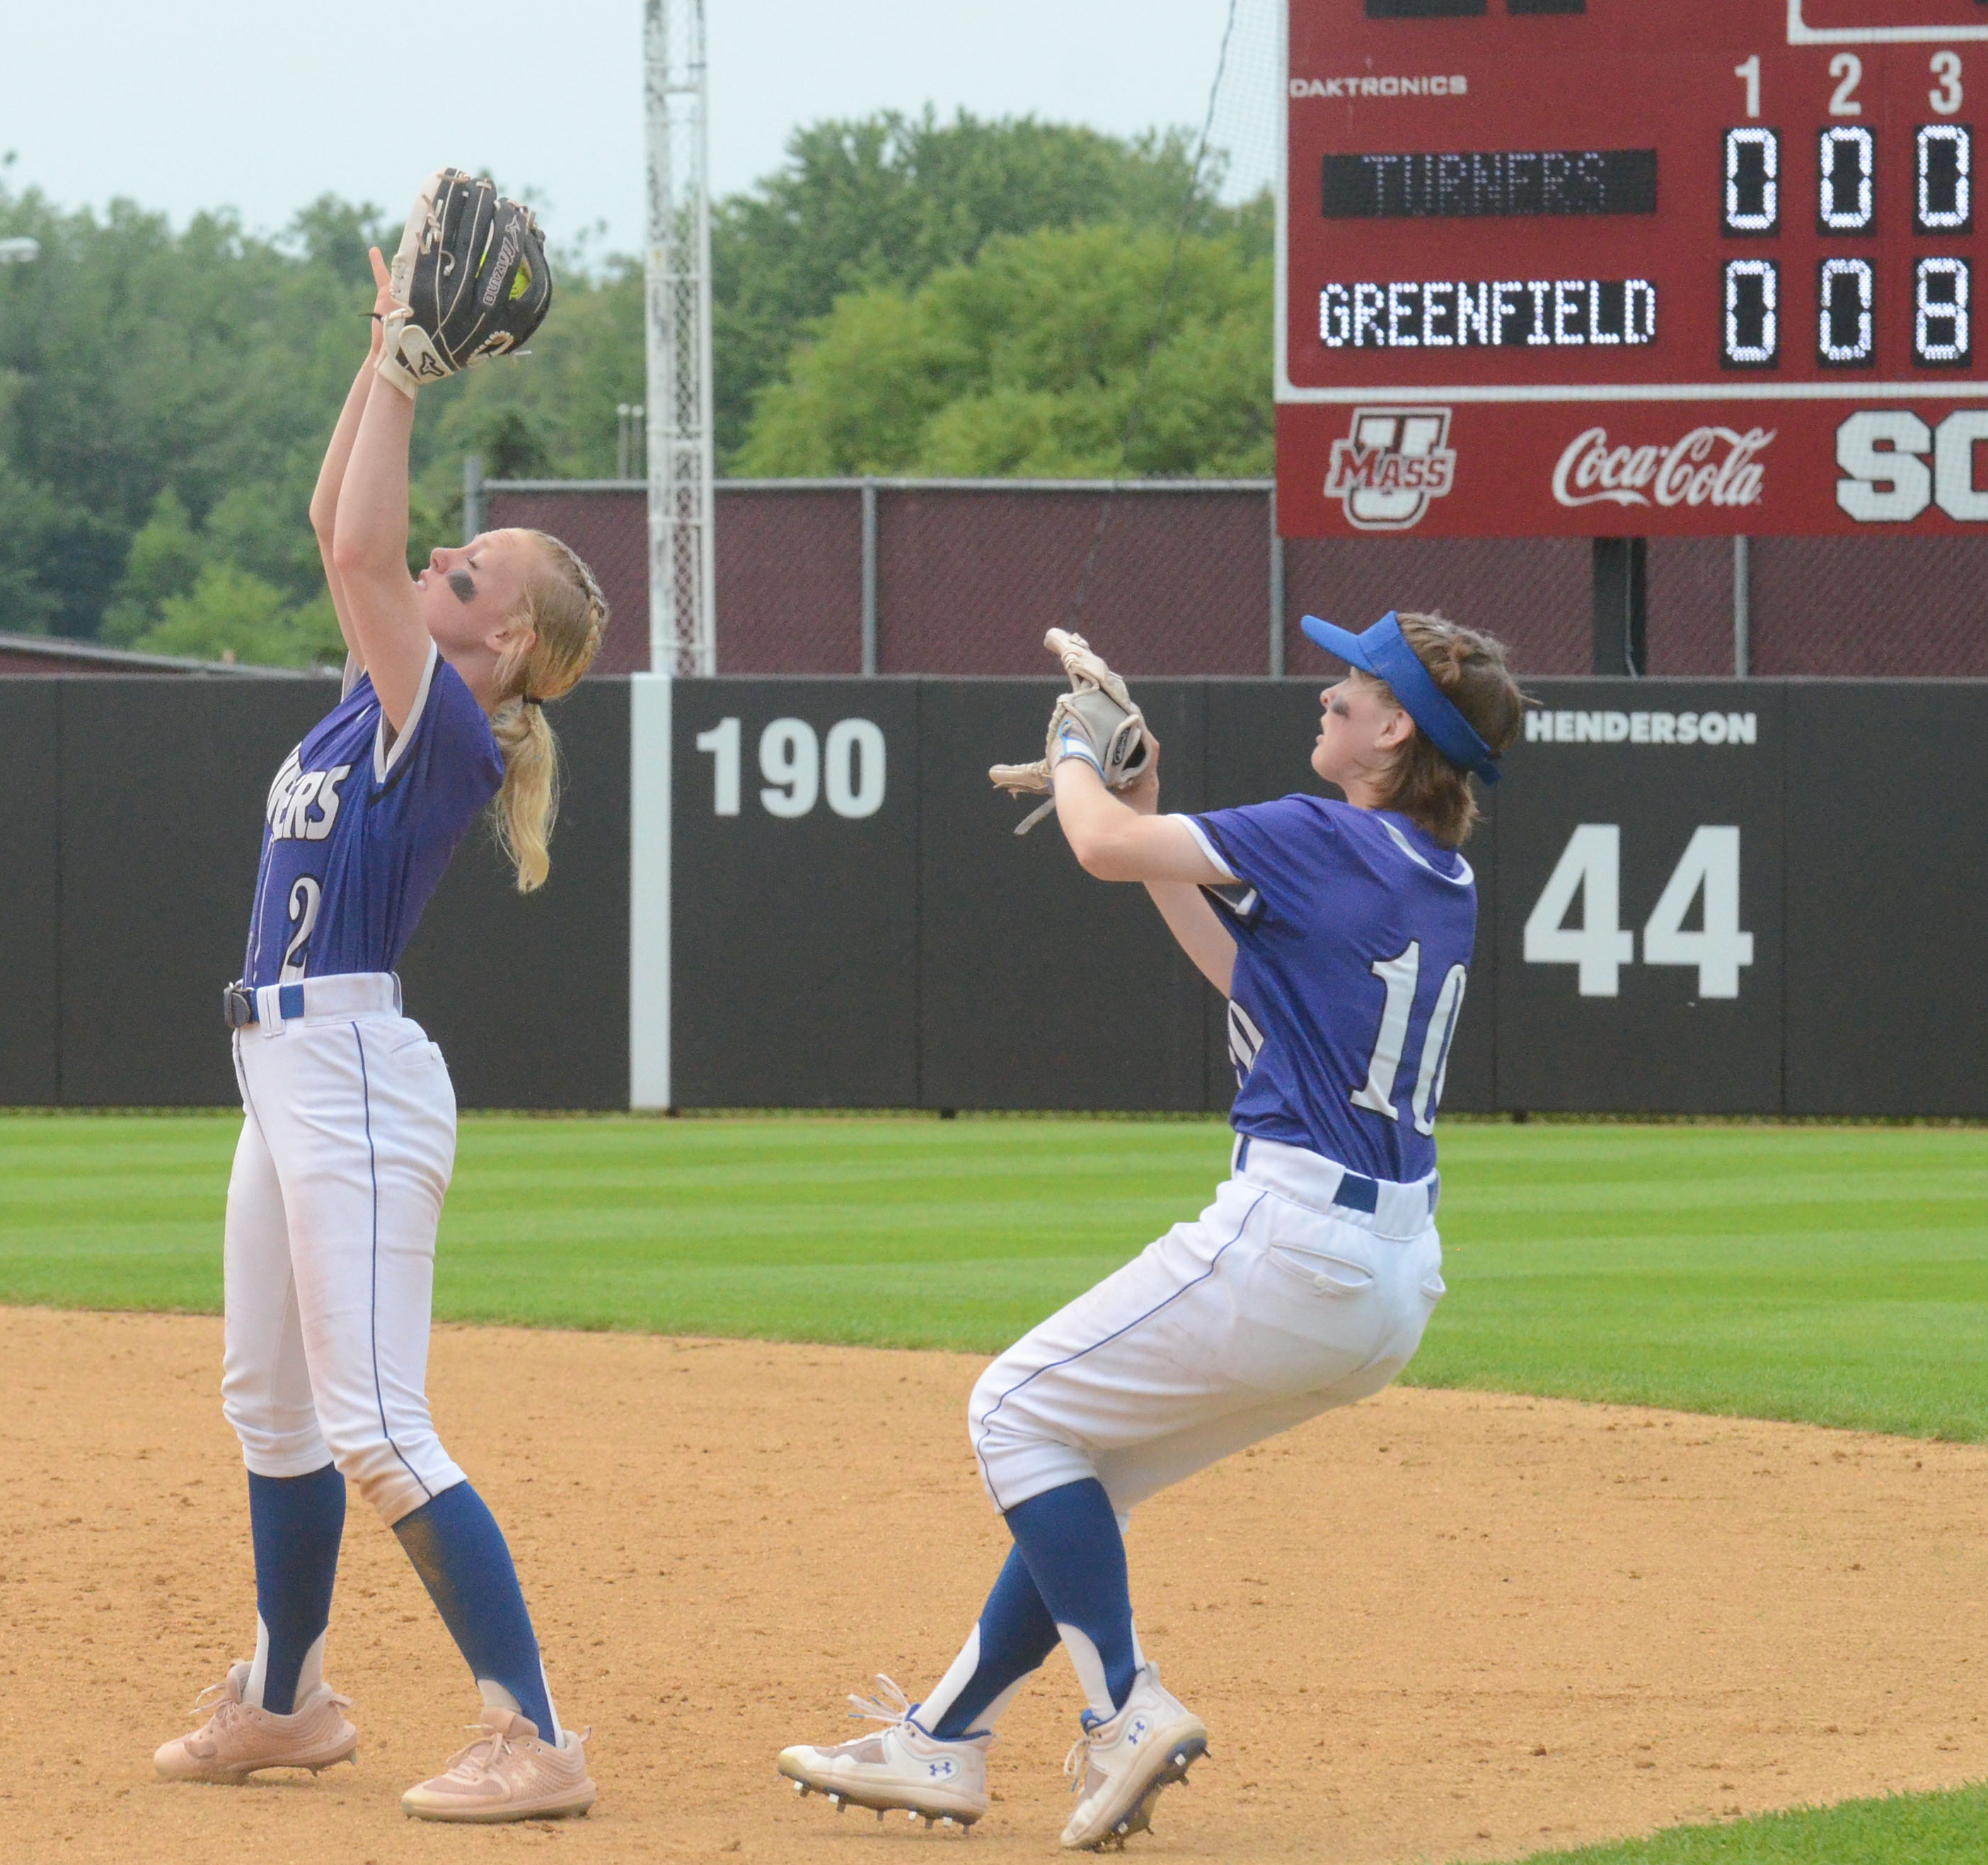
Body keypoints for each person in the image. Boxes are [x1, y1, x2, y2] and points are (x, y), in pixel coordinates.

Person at [778, 611, 1525, 1850]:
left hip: (1296, 1239)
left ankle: (1124, 1708)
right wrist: (1152, 800)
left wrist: (1080, 754)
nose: (1330, 695)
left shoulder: (1315, 831)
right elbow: (1248, 973)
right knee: (1086, 1474)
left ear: (1397, 727)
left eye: (1356, 683)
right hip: (1392, 1283)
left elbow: (1102, 847)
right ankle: (942, 1741)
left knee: (1012, 1411)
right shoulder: (1433, 876)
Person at [149, 238, 608, 1825]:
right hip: (284, 1074)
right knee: (268, 1405)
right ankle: (286, 1700)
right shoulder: (381, 688)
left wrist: (411, 366)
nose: (437, 570)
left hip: (346, 1068)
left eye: (469, 576)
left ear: (509, 654)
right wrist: (380, 338)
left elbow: (354, 544)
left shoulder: (452, 719)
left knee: (376, 1424)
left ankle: (533, 1730)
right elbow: (334, 526)